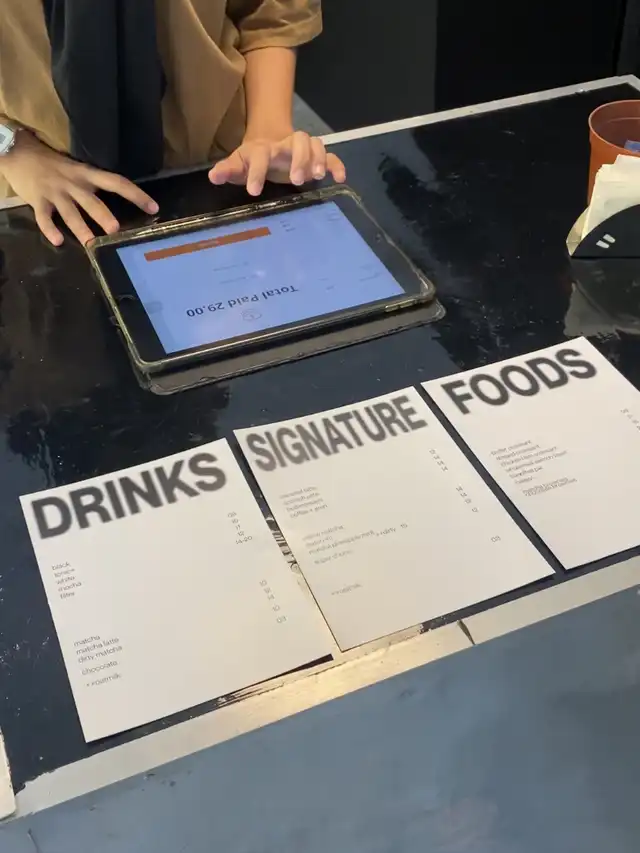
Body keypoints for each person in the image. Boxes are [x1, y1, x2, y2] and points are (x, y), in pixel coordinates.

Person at [0, 1, 345, 246]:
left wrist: (268, 131)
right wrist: (13, 149)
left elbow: (269, 10)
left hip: (223, 163)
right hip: (43, 188)